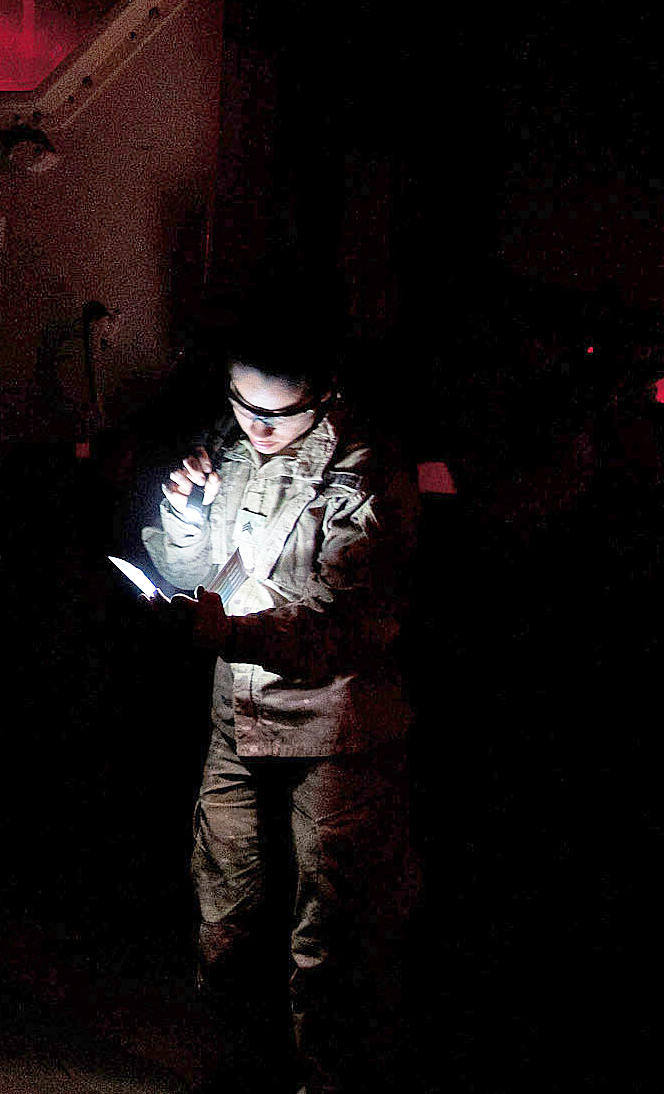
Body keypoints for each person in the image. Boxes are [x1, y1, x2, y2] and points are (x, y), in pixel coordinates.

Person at [143, 326, 418, 1094]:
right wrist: (187, 516)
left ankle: (330, 1078)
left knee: (334, 929)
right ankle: (238, 1066)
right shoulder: (228, 449)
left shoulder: (364, 472)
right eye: (242, 406)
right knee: (224, 905)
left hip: (337, 731)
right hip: (238, 718)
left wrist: (224, 629)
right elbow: (200, 571)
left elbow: (342, 630)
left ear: (324, 396)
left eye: (279, 415)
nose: (257, 428)